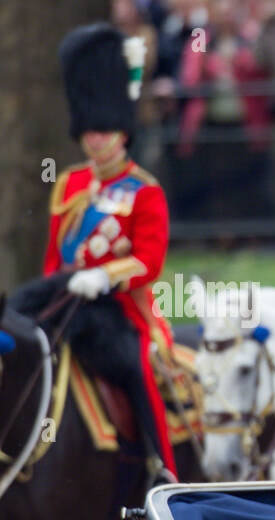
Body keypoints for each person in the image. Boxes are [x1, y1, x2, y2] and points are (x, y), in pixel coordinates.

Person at [41, 23, 177, 481]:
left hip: (120, 309)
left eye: (104, 130)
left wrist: (104, 277)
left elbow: (149, 262)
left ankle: (163, 467)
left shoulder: (146, 191)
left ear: (122, 128)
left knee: (136, 369)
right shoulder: (70, 184)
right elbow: (51, 259)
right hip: (66, 302)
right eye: (89, 130)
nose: (95, 139)